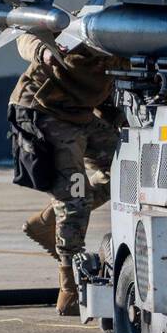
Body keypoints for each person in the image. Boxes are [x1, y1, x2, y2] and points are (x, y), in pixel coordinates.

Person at [10, 36, 127, 315]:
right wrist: (44, 52)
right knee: (74, 198)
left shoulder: (129, 44)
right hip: (44, 110)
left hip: (81, 115)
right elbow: (25, 36)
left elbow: (112, 92)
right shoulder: (81, 28)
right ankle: (70, 288)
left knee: (126, 170)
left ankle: (45, 223)